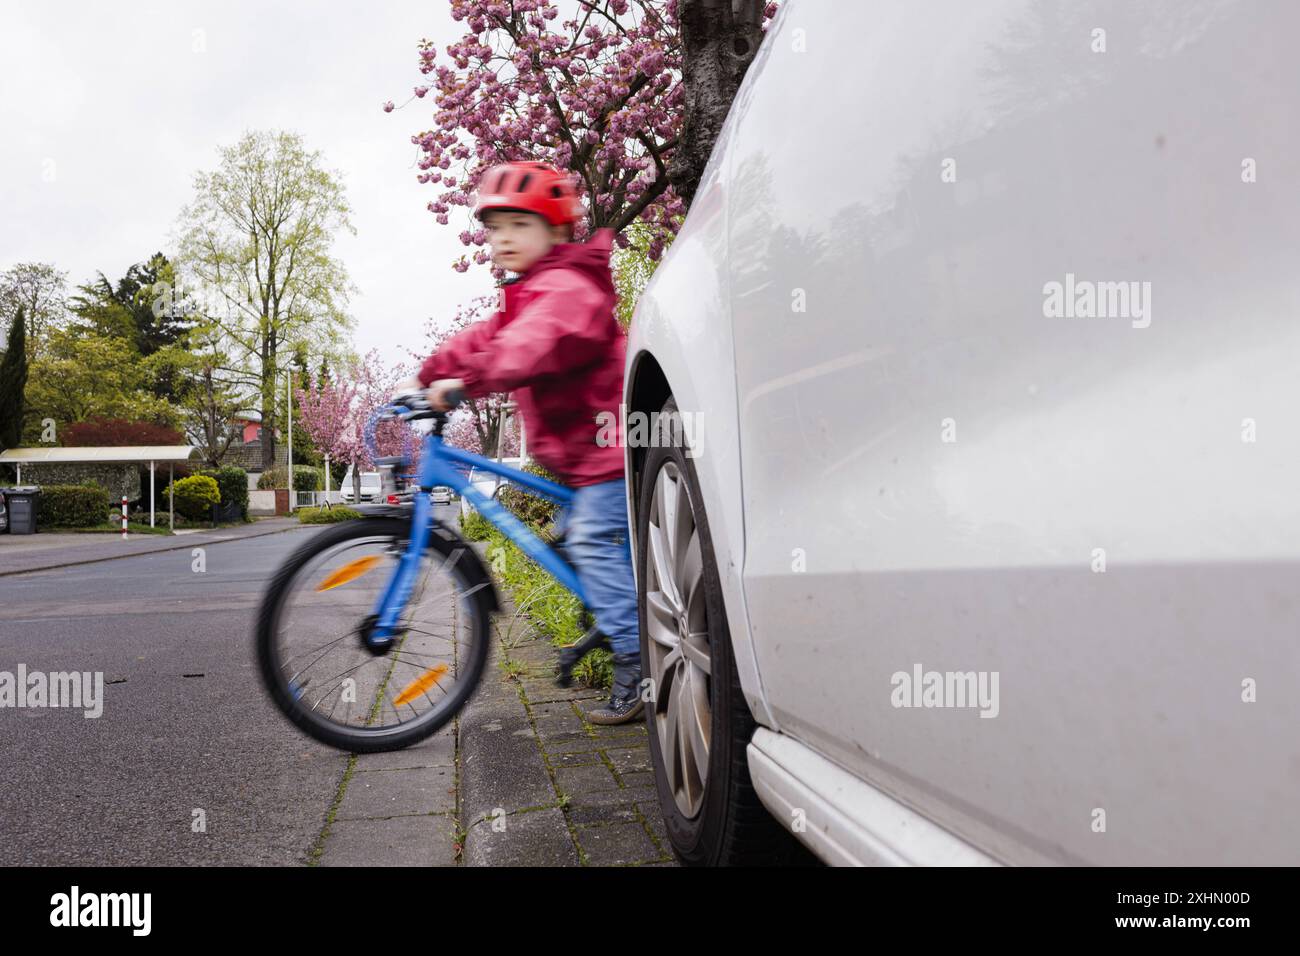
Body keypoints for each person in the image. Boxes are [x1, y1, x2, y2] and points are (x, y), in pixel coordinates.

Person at [399, 160, 643, 724]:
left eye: (519, 225)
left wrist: (464, 384)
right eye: (494, 227)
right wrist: (427, 372)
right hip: (586, 464)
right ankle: (614, 613)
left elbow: (528, 345)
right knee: (579, 542)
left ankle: (636, 663)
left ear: (557, 231)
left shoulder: (567, 291)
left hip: (611, 455)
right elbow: (484, 338)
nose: (502, 239)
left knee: (590, 539)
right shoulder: (528, 294)